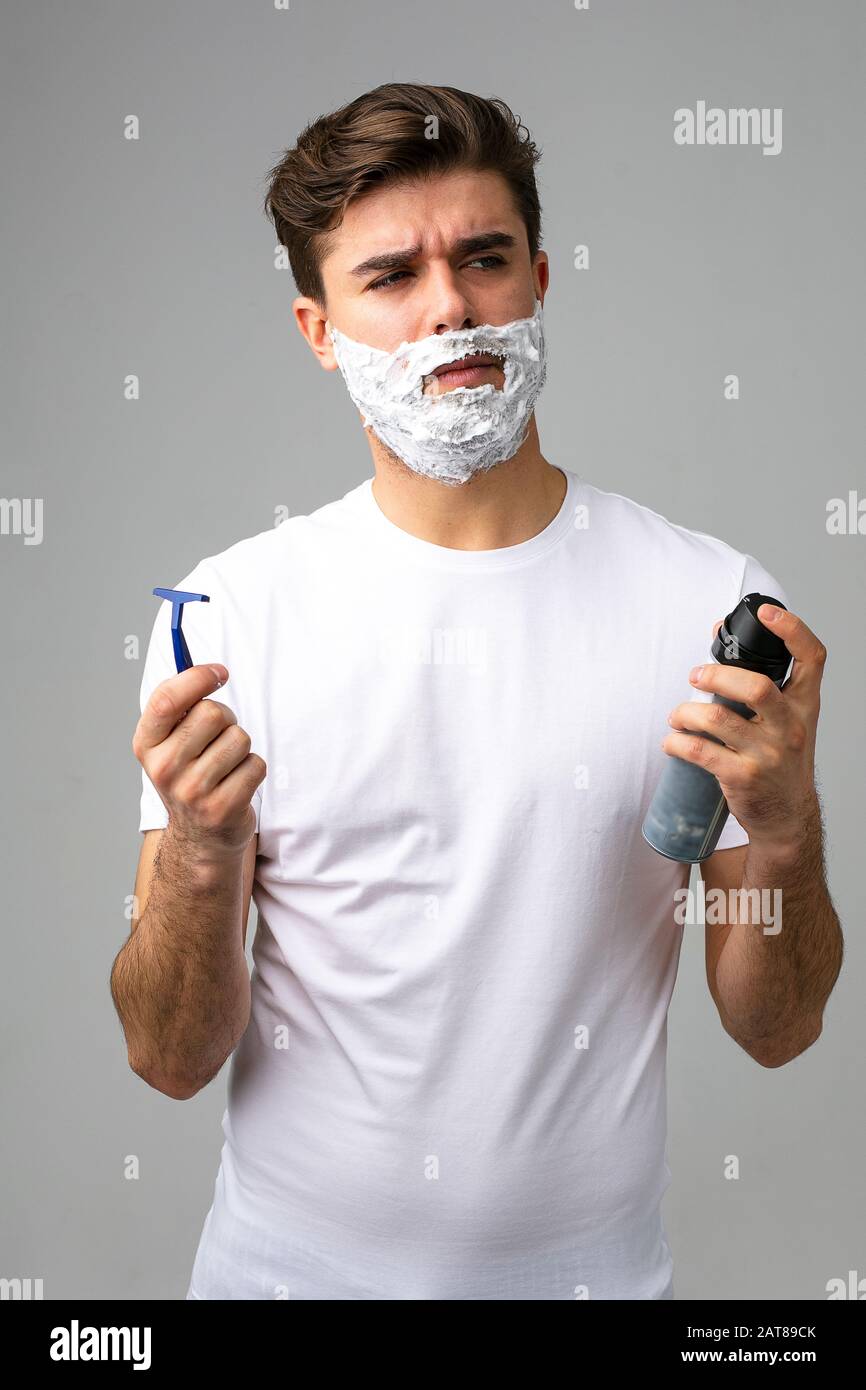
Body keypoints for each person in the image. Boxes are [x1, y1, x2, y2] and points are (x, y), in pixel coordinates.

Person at [111, 82, 842, 1301]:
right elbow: (167, 1059)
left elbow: (777, 1030)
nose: (450, 306)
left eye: (484, 259)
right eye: (389, 278)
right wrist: (196, 854)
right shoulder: (230, 620)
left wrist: (784, 827)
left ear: (540, 281)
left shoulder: (709, 607)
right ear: (317, 328)